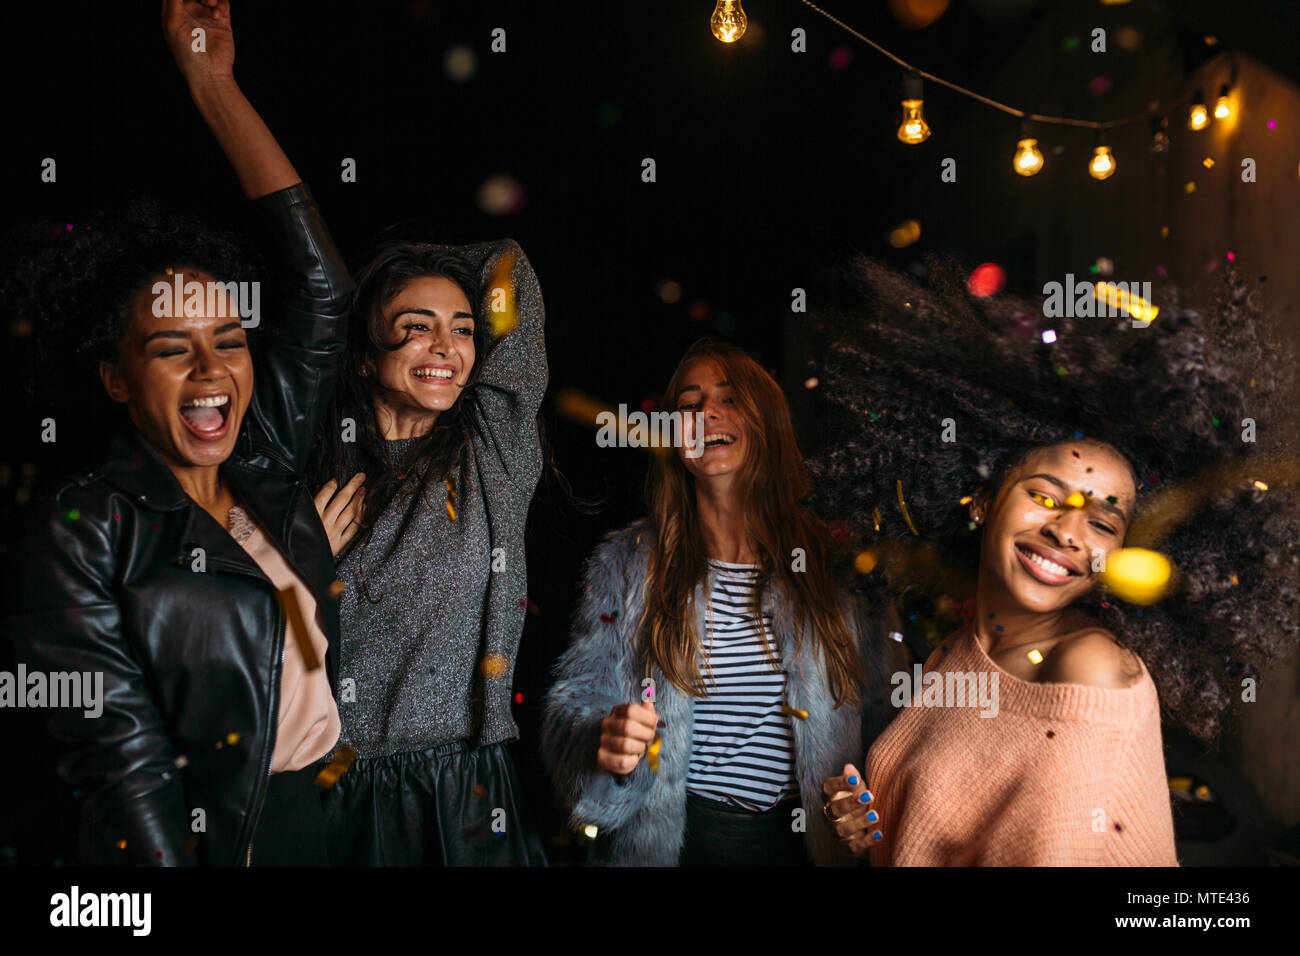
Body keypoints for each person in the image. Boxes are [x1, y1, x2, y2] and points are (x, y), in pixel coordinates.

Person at [6, 0, 353, 865]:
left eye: (227, 342)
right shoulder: (84, 530)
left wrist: (212, 83)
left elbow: (323, 291)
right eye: (173, 348)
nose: (210, 370)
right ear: (117, 377)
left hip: (330, 820)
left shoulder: (263, 459)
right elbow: (122, 763)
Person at [812, 257, 1300, 865]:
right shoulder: (964, 648)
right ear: (983, 501)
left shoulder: (1088, 670)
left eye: (1102, 521)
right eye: (1044, 496)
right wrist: (875, 831)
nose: (1069, 532)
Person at [541, 340, 900, 866]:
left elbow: (891, 723)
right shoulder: (626, 562)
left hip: (801, 846)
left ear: (766, 422)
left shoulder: (836, 565)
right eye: (688, 405)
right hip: (675, 847)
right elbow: (576, 705)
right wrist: (603, 740)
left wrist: (871, 810)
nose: (706, 413)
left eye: (729, 399)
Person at [307, 165, 548, 865]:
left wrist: (427, 272)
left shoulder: (492, 458)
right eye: (417, 328)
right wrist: (297, 569)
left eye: (463, 329)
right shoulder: (314, 472)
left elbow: (513, 269)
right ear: (363, 355)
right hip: (336, 781)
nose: (446, 348)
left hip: (465, 784)